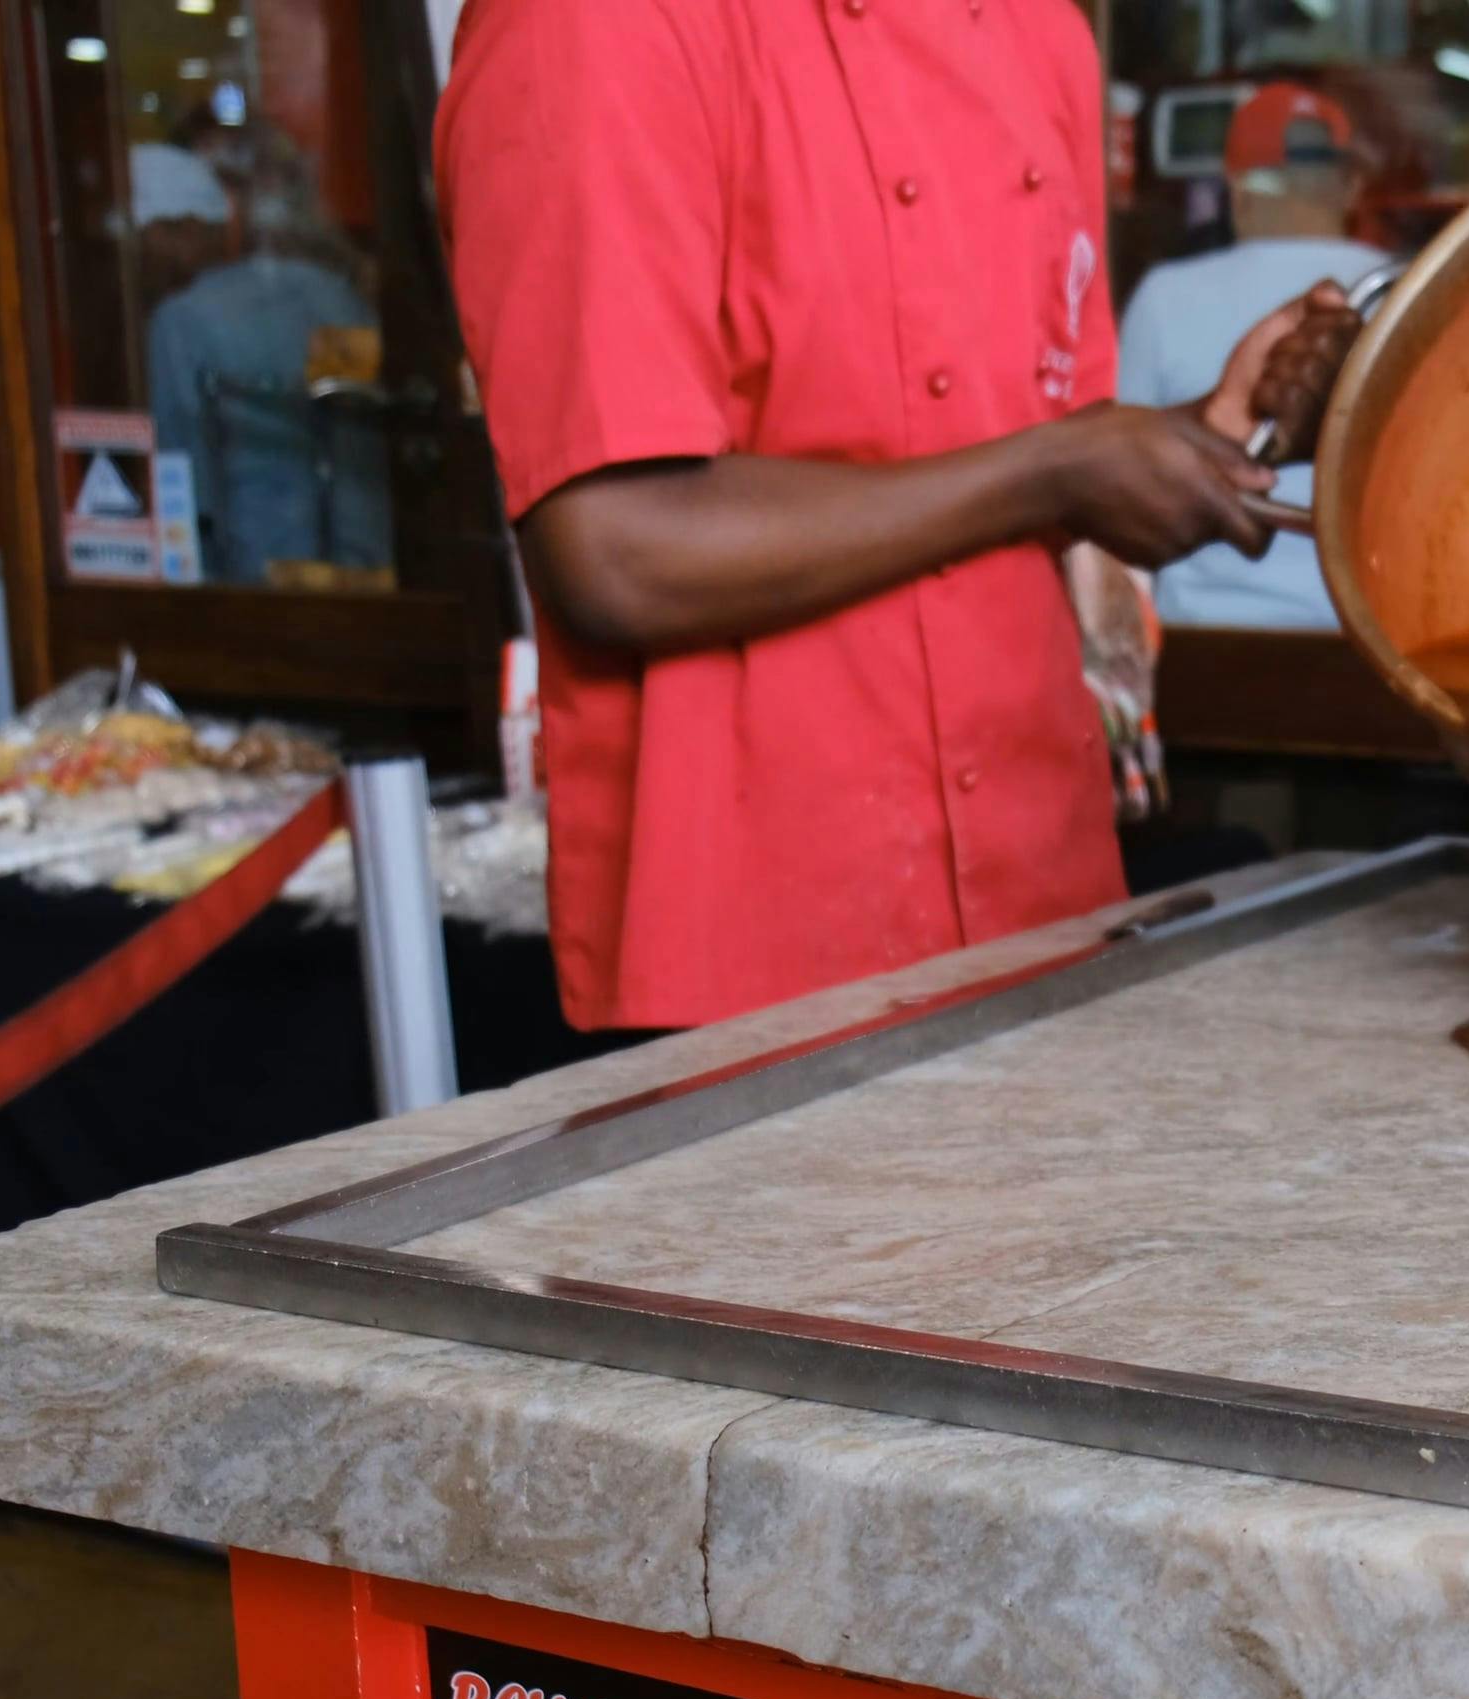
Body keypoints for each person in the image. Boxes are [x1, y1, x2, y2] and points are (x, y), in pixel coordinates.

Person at [435, 0, 1318, 1031]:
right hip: (760, 954)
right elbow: (615, 550)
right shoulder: (596, 25)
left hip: (1046, 906)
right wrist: (1055, 471)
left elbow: (1028, 457)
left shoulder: (1040, 34)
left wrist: (1203, 441)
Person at [1117, 85, 1392, 631]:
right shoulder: (1401, 291)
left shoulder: (1165, 296)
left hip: (1205, 643)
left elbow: (1125, 487)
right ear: (1350, 188)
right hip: (1364, 640)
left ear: (1236, 190)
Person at [143, 132, 393, 589]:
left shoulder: (182, 321)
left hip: (252, 584)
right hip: (368, 575)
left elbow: (186, 488)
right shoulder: (345, 303)